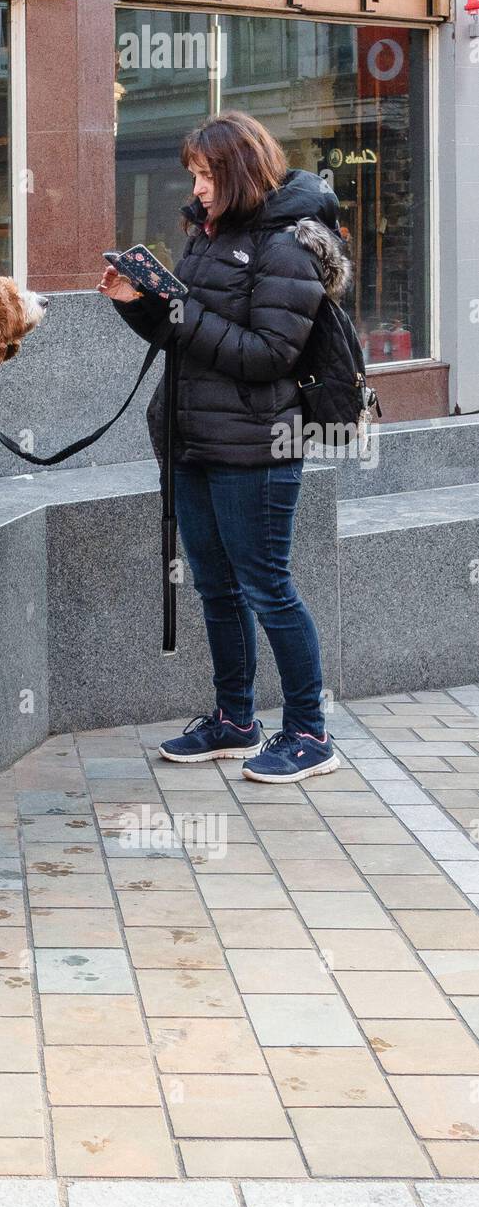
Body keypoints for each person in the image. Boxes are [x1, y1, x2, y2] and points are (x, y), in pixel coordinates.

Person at [99, 110, 350, 784]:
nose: (198, 187)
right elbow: (182, 334)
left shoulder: (289, 245)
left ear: (237, 171)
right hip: (193, 439)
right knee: (215, 587)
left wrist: (178, 310)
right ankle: (235, 722)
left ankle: (308, 733)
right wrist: (139, 302)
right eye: (193, 175)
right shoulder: (209, 236)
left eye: (206, 174)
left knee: (267, 588)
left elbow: (268, 354)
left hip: (257, 448)